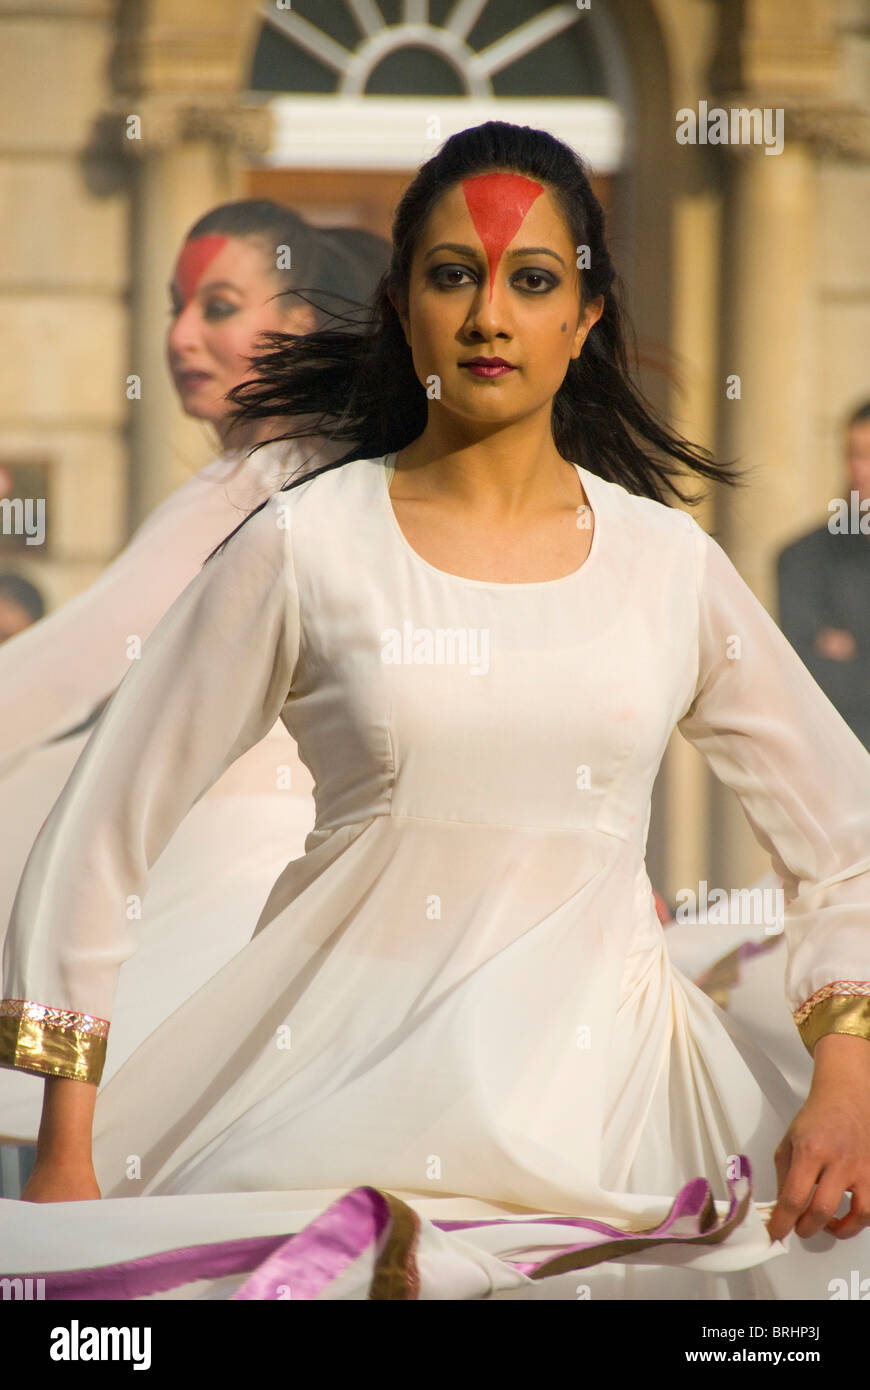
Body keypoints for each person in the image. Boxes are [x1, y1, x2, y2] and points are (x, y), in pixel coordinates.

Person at [2, 121, 870, 1301]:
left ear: (588, 314)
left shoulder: (669, 565)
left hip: (615, 1135)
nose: (489, 318)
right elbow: (103, 828)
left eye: (533, 280)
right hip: (326, 1115)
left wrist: (846, 1081)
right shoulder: (304, 544)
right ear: (404, 304)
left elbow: (849, 840)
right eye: (453, 276)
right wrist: (65, 1154)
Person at [0, 200, 390, 1150]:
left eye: (217, 306)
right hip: (334, 896)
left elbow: (67, 668)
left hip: (219, 890)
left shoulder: (257, 483)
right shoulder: (361, 479)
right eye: (177, 305)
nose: (179, 335)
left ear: (301, 322)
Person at [777, 399, 870, 751]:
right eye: (854, 455)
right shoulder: (804, 559)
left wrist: (855, 650)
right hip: (843, 770)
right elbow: (811, 684)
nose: (860, 470)